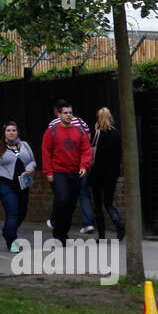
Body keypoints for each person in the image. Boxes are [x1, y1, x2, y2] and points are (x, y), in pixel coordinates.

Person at [0, 121, 36, 252]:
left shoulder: (25, 145)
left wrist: (30, 167)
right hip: (6, 184)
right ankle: (12, 242)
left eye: (14, 130)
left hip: (24, 182)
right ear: (4, 133)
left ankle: (7, 230)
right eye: (8, 130)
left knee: (22, 212)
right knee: (13, 212)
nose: (11, 133)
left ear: (18, 132)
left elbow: (33, 161)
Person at [42, 101, 91, 244]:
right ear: (59, 114)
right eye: (65, 113)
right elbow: (46, 152)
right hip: (58, 171)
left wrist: (84, 166)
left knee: (71, 204)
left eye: (70, 112)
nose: (69, 115)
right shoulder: (52, 131)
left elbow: (86, 150)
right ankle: (58, 232)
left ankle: (63, 233)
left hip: (75, 172)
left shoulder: (79, 131)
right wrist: (48, 172)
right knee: (62, 199)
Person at [88, 107, 125, 240]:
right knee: (108, 203)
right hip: (112, 174)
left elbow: (92, 152)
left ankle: (102, 234)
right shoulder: (117, 134)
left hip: (98, 173)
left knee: (98, 205)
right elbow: (119, 154)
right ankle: (119, 223)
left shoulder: (97, 133)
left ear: (98, 118)